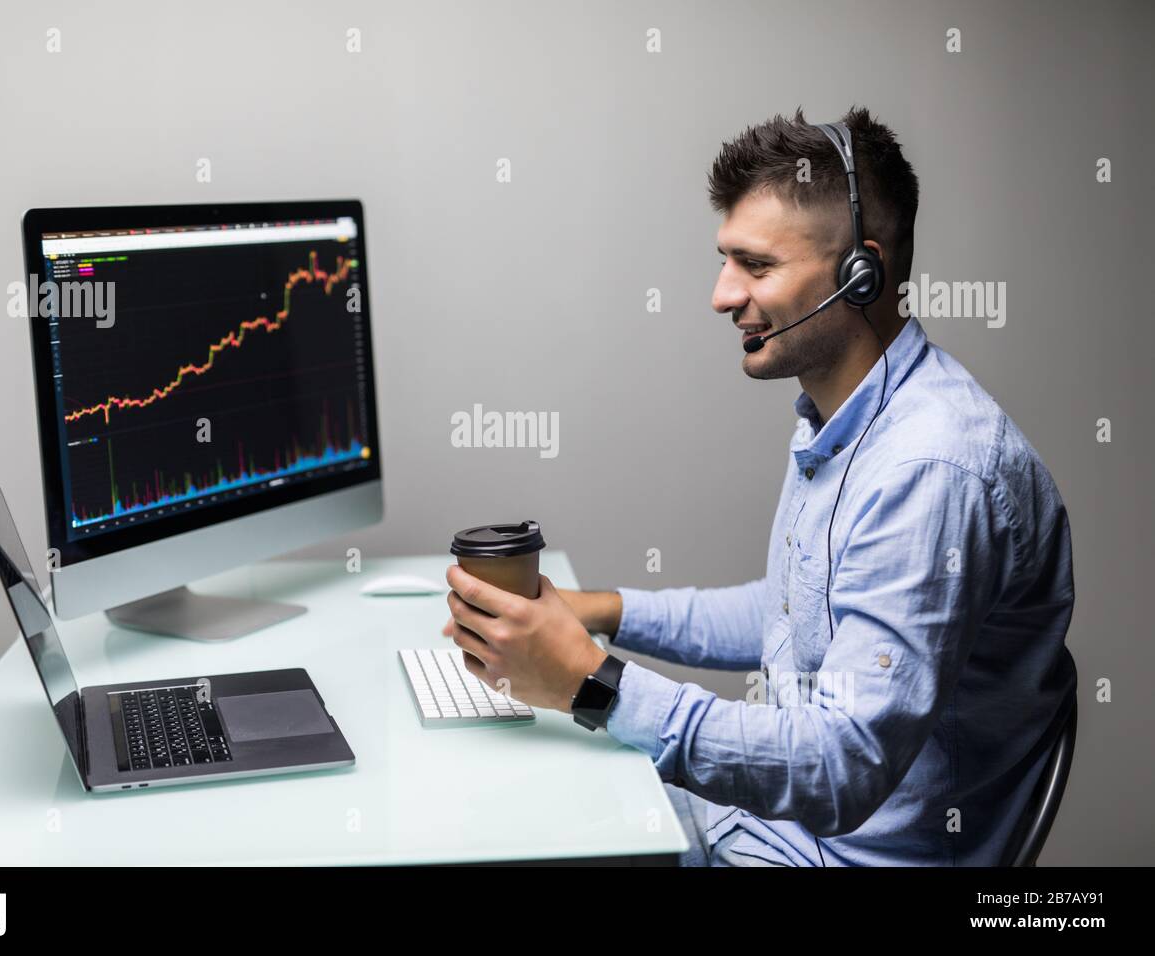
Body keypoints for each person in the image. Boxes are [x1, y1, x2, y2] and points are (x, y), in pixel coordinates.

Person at [442, 106, 1076, 866]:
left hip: (827, 855)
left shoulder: (929, 472)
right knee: (497, 811)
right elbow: (790, 619)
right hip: (770, 826)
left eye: (757, 265)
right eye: (725, 260)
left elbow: (841, 767)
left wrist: (591, 682)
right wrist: (596, 612)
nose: (720, 294)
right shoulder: (841, 418)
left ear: (859, 274)